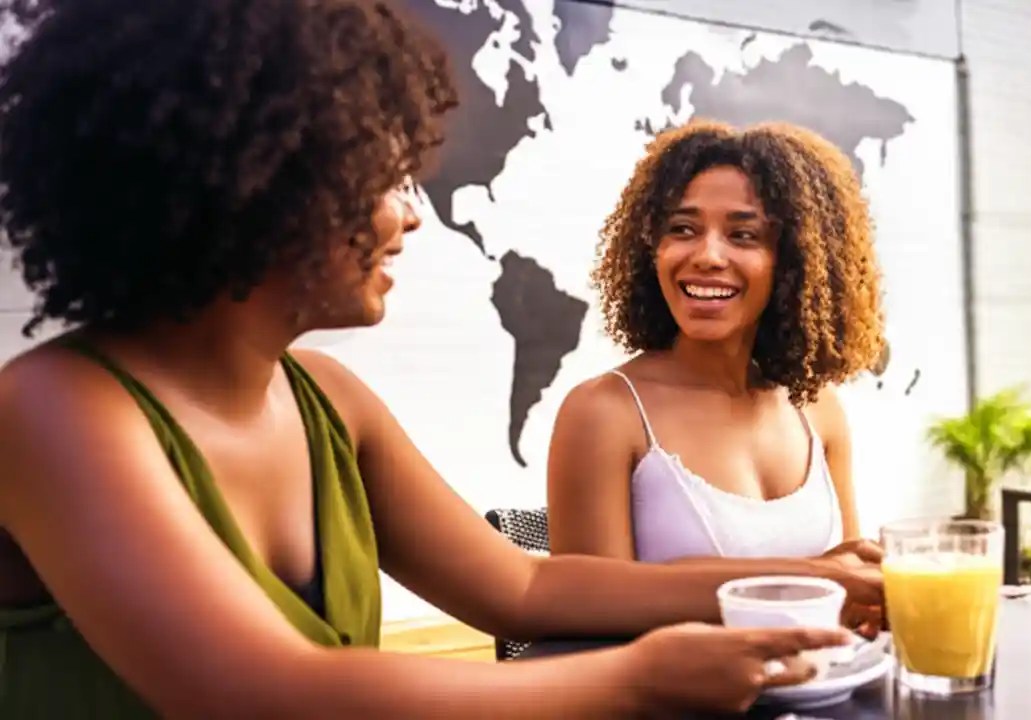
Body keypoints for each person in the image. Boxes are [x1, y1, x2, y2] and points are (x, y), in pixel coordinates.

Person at [0, 1, 881, 717]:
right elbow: (263, 690)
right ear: (258, 185)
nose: (412, 215)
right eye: (384, 178)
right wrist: (637, 678)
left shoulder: (330, 402)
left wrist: (809, 579)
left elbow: (526, 589)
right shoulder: (54, 412)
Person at [547, 121, 885, 582]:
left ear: (794, 263)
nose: (707, 255)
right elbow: (584, 609)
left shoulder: (818, 412)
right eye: (682, 229)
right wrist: (814, 574)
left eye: (743, 235)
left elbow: (846, 602)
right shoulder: (605, 413)